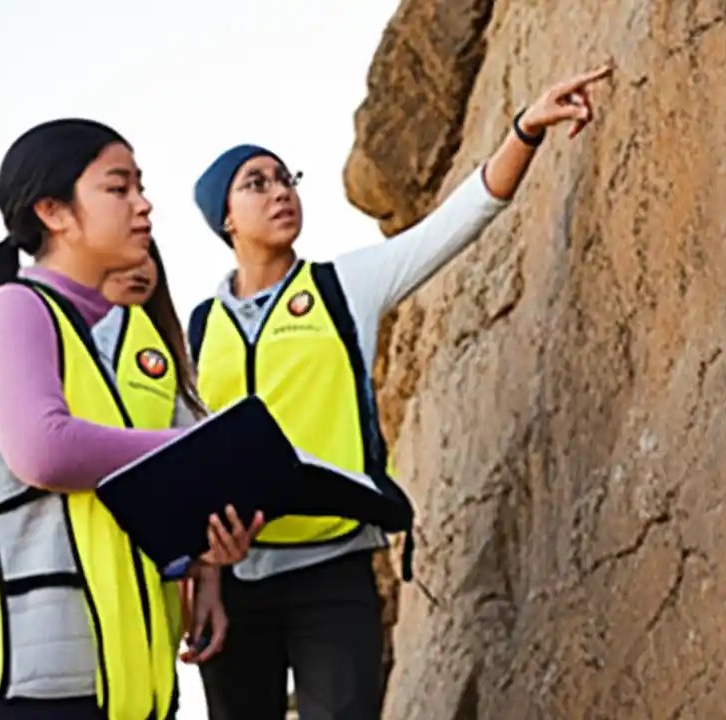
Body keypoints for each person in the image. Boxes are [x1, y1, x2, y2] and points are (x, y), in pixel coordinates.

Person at [186, 64, 614, 719]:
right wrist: (206, 577)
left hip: (335, 573)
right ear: (225, 218)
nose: (280, 192)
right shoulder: (196, 327)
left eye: (285, 178)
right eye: (257, 183)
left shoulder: (344, 286)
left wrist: (526, 127)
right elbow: (192, 465)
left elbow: (458, 223)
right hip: (239, 582)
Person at [0, 118, 264, 720]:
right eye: (118, 187)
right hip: (32, 679)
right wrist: (199, 450)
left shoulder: (134, 339)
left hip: (130, 678)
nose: (143, 204)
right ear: (54, 211)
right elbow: (45, 451)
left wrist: (207, 555)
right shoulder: (13, 310)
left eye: (141, 186)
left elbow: (138, 490)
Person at [95, 241, 224, 663]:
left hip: (152, 593)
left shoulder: (162, 358)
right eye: (123, 255)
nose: (138, 266)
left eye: (147, 256)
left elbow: (202, 476)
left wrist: (208, 577)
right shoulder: (37, 330)